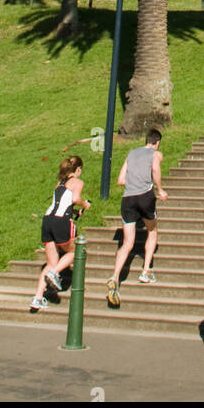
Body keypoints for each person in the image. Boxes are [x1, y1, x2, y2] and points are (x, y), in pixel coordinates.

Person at [106, 129, 168, 308]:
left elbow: (120, 180)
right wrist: (159, 189)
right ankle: (146, 271)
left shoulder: (132, 153)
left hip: (128, 199)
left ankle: (114, 276)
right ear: (157, 142)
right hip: (145, 196)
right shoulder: (156, 153)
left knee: (127, 243)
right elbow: (155, 168)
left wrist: (134, 182)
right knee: (152, 231)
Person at [30, 155, 91, 312]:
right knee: (76, 250)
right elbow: (76, 198)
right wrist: (85, 205)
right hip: (61, 222)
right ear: (78, 170)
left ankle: (37, 297)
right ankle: (54, 273)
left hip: (47, 221)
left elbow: (62, 203)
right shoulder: (77, 182)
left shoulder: (60, 183)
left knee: (51, 261)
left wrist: (76, 212)